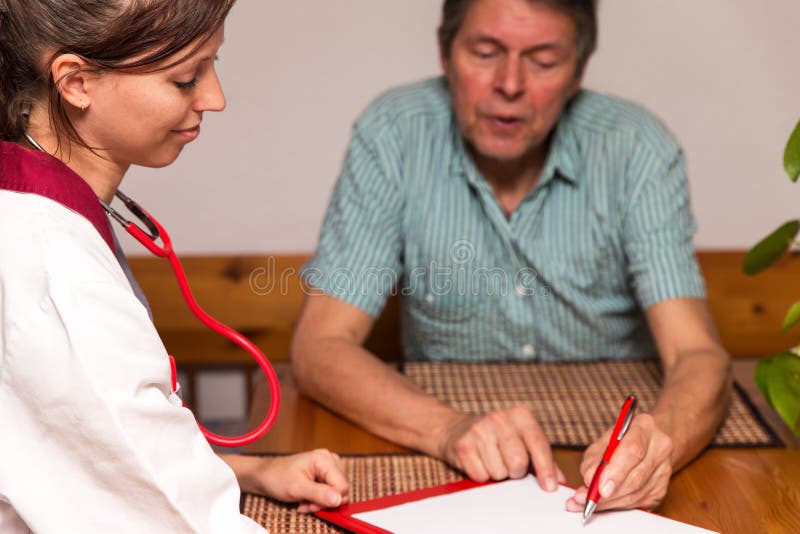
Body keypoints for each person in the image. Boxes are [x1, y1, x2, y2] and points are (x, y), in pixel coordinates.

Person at [291, 0, 731, 514]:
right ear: (445, 52)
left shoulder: (637, 148)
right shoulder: (394, 133)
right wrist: (448, 428)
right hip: (452, 457)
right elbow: (320, 346)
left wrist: (661, 444)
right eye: (484, 52)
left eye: (543, 61)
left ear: (579, 70)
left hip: (605, 449)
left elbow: (695, 353)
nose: (510, 84)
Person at [0, 1, 347, 532]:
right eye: (186, 79)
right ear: (75, 82)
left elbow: (86, 446)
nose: (216, 99)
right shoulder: (56, 270)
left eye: (212, 66)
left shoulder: (40, 210)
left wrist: (241, 472)